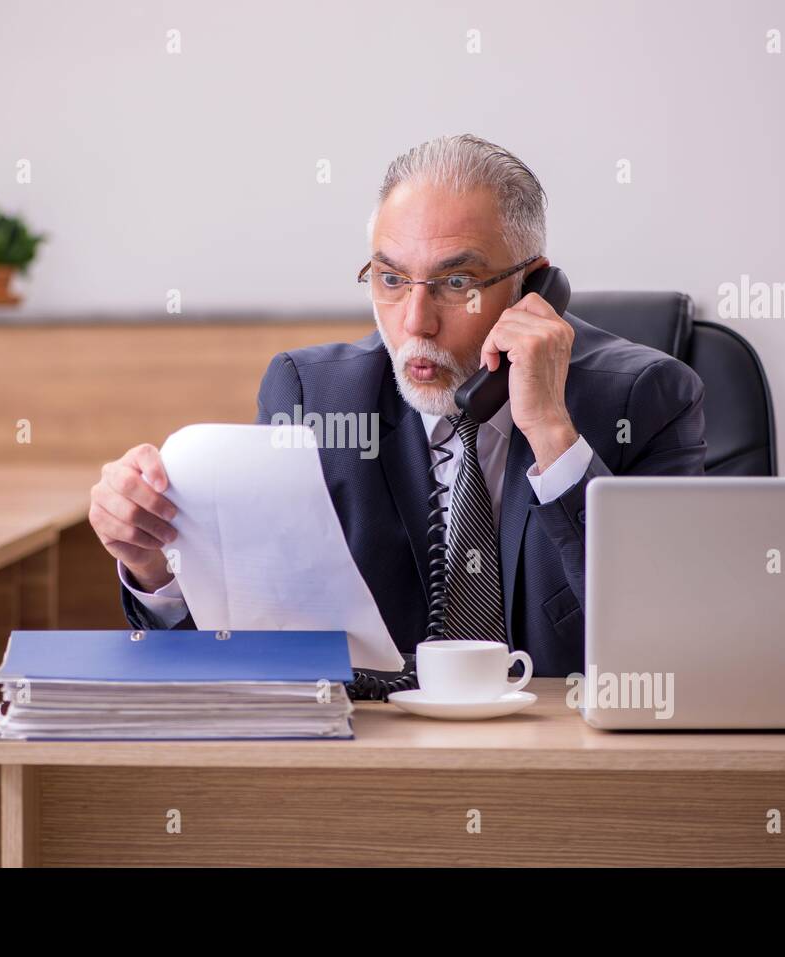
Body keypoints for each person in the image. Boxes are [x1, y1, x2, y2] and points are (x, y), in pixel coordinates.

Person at [89, 134, 706, 675]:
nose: (415, 323)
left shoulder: (646, 397)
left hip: (567, 769)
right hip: (373, 767)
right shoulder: (313, 400)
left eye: (456, 283)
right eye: (390, 280)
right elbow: (235, 653)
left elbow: (672, 640)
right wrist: (155, 566)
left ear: (532, 288)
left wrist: (549, 429)